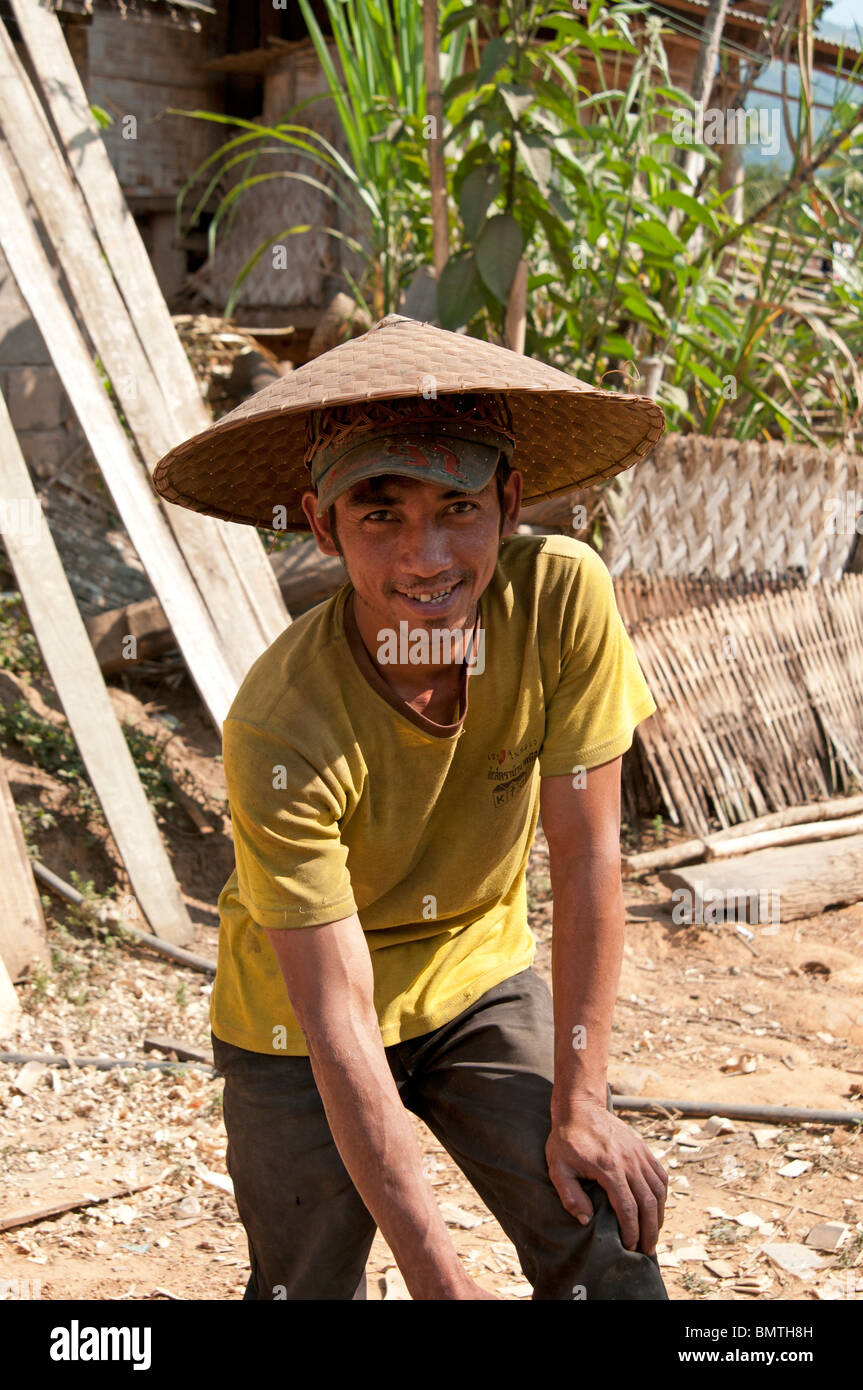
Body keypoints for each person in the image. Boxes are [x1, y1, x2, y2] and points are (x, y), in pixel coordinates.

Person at [152, 314, 669, 1300]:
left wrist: (582, 1098)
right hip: (296, 1023)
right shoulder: (280, 724)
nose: (426, 558)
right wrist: (439, 1278)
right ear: (320, 524)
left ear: (510, 503)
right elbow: (337, 1014)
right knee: (308, 1282)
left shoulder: (560, 602)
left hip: (473, 971)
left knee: (602, 1231)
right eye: (380, 515)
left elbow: (587, 850)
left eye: (457, 508)